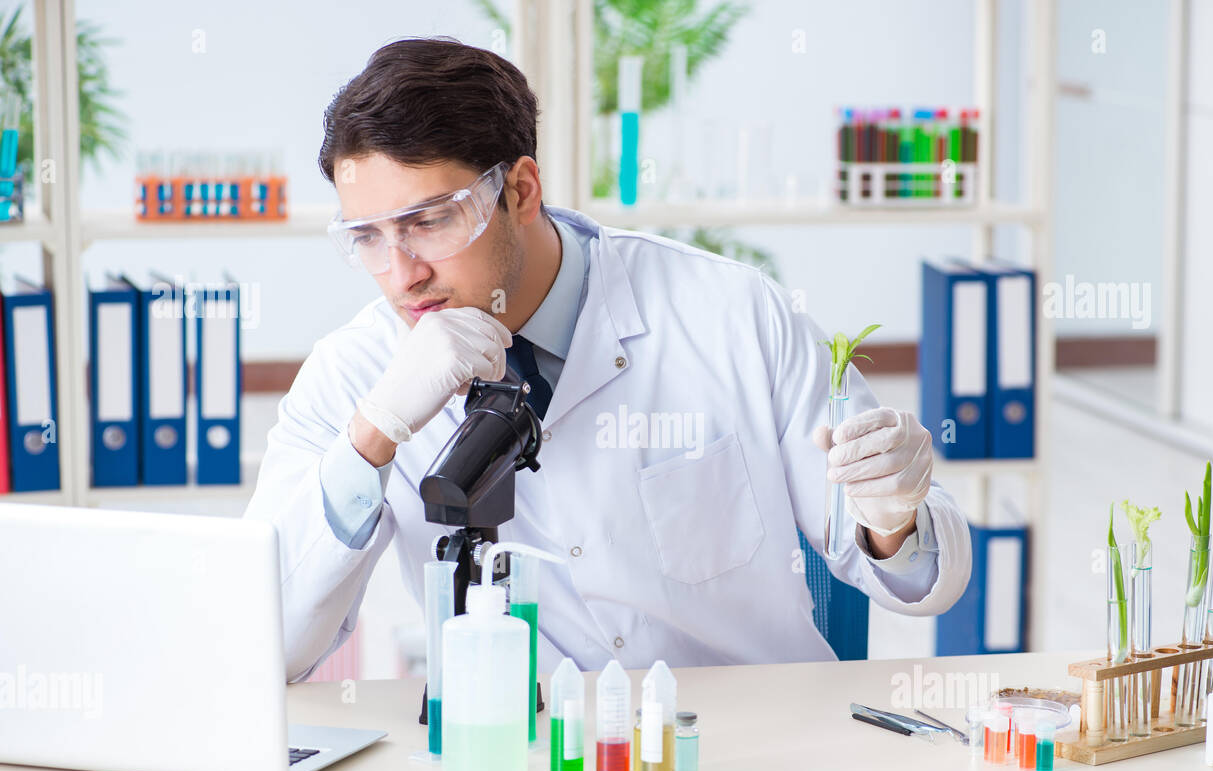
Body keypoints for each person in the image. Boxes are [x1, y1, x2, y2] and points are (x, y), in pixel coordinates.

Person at [244, 37, 971, 681]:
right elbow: (265, 645)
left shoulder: (730, 312)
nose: (400, 274)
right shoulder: (351, 374)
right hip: (521, 770)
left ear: (521, 191)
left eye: (429, 222)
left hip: (757, 761)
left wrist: (894, 521)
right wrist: (372, 434)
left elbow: (915, 577)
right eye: (367, 237)